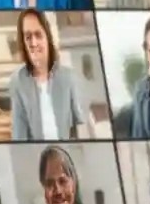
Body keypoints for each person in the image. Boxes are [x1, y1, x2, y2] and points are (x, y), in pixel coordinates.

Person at [8, 10, 94, 140]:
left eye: (38, 35)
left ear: (48, 36)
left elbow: (81, 126)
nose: (33, 43)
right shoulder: (18, 81)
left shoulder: (68, 77)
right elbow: (19, 134)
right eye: (28, 37)